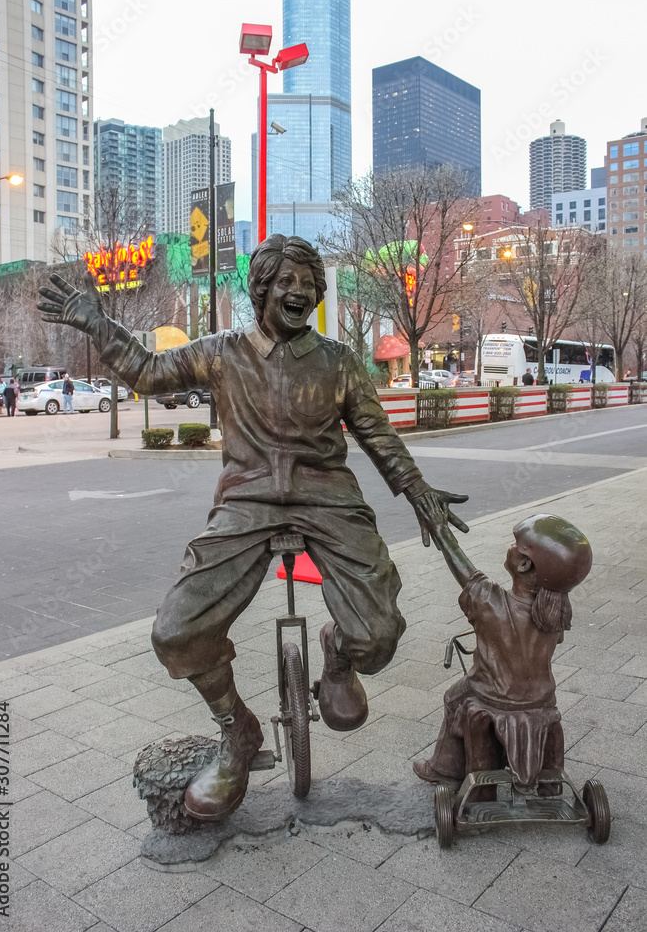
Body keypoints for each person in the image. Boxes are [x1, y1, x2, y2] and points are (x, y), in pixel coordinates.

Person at [36, 234, 469, 821]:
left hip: (328, 500)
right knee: (175, 630)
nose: (300, 292)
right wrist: (96, 323)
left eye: (309, 284)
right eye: (286, 282)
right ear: (261, 289)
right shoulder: (223, 352)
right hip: (245, 503)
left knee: (380, 634)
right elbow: (146, 371)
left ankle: (337, 655)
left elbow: (377, 434)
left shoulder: (340, 361)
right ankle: (236, 730)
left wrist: (418, 492)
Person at [411, 502, 592, 792]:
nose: (510, 546)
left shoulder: (490, 602)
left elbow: (463, 569)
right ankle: (547, 785)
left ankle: (444, 769)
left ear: (524, 565)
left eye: (516, 545)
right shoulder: (556, 611)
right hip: (540, 698)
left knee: (453, 698)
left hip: (493, 695)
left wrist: (439, 529)